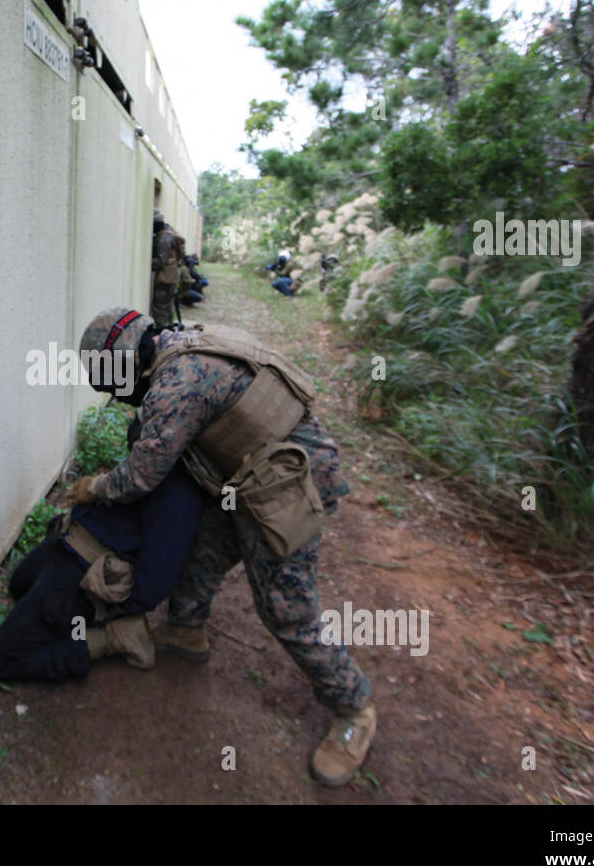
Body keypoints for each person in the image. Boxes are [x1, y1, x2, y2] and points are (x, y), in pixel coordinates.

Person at [69, 308, 376, 787]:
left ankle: (353, 706)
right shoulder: (183, 340)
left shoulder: (175, 385)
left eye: (113, 381)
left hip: (289, 483)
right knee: (205, 547)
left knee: (287, 608)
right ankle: (187, 629)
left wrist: (94, 487)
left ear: (127, 365)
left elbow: (142, 476)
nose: (118, 393)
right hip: (245, 470)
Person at [0, 462, 205, 682]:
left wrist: (111, 606)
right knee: (19, 585)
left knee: (5, 659)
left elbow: (155, 583)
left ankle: (112, 636)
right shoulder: (161, 452)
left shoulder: (181, 493)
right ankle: (73, 620)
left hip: (87, 571)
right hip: (73, 540)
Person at [149, 208, 185, 328]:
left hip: (166, 277)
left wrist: (145, 264)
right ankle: (169, 331)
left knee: (160, 309)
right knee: (167, 307)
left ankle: (163, 333)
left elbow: (161, 261)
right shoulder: (169, 231)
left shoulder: (164, 238)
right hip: (171, 275)